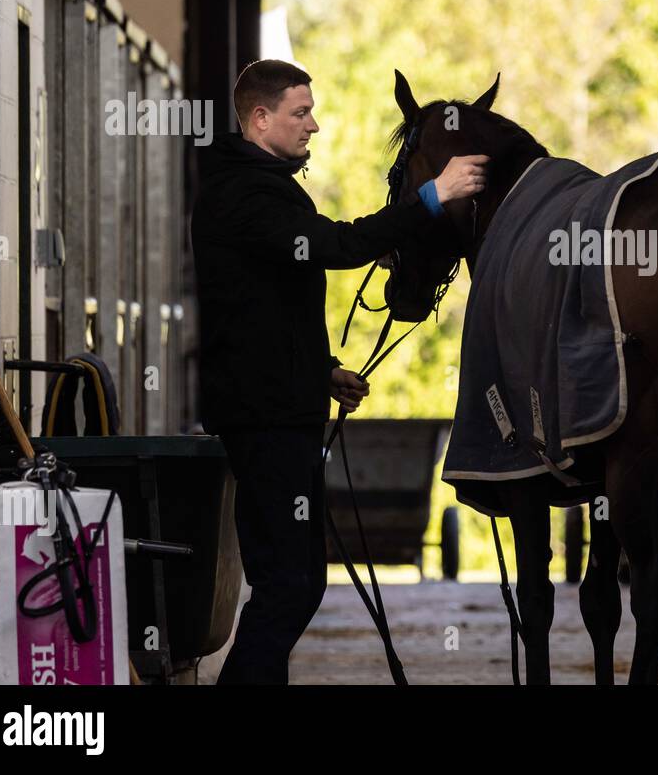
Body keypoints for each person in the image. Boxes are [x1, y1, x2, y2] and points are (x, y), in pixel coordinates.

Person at [191, 59, 486, 684]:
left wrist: (322, 370)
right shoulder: (244, 190)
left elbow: (266, 302)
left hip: (282, 406)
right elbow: (329, 246)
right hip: (266, 418)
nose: (314, 126)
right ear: (260, 117)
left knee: (294, 583)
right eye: (301, 113)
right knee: (290, 585)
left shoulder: (258, 184)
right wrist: (432, 196)